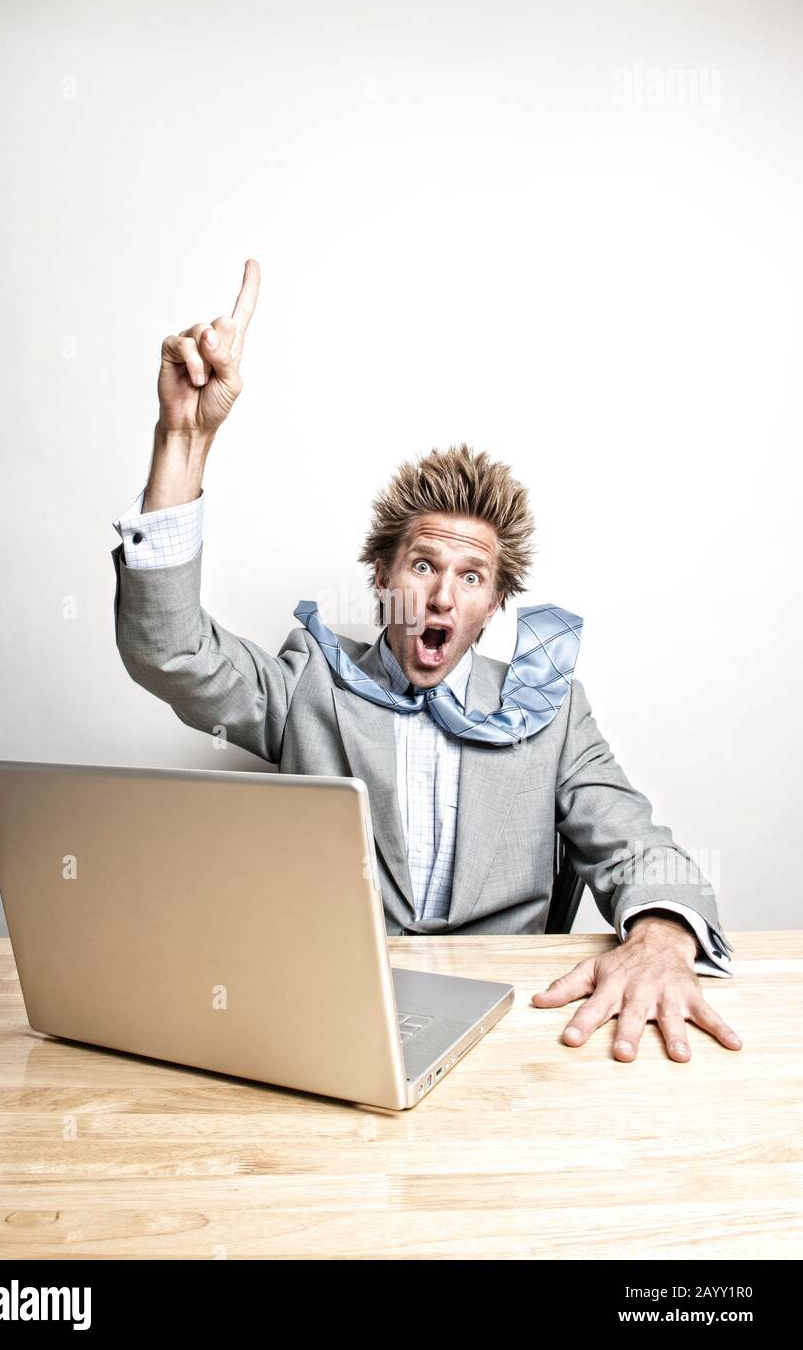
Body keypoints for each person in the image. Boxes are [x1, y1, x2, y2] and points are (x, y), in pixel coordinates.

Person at [111, 259, 741, 1065]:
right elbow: (170, 648)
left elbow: (634, 846)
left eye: (470, 577)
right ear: (380, 576)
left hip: (517, 1034)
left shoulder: (548, 707)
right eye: (421, 566)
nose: (441, 596)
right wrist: (184, 438)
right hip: (324, 1017)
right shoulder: (310, 683)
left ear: (492, 605)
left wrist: (659, 935)